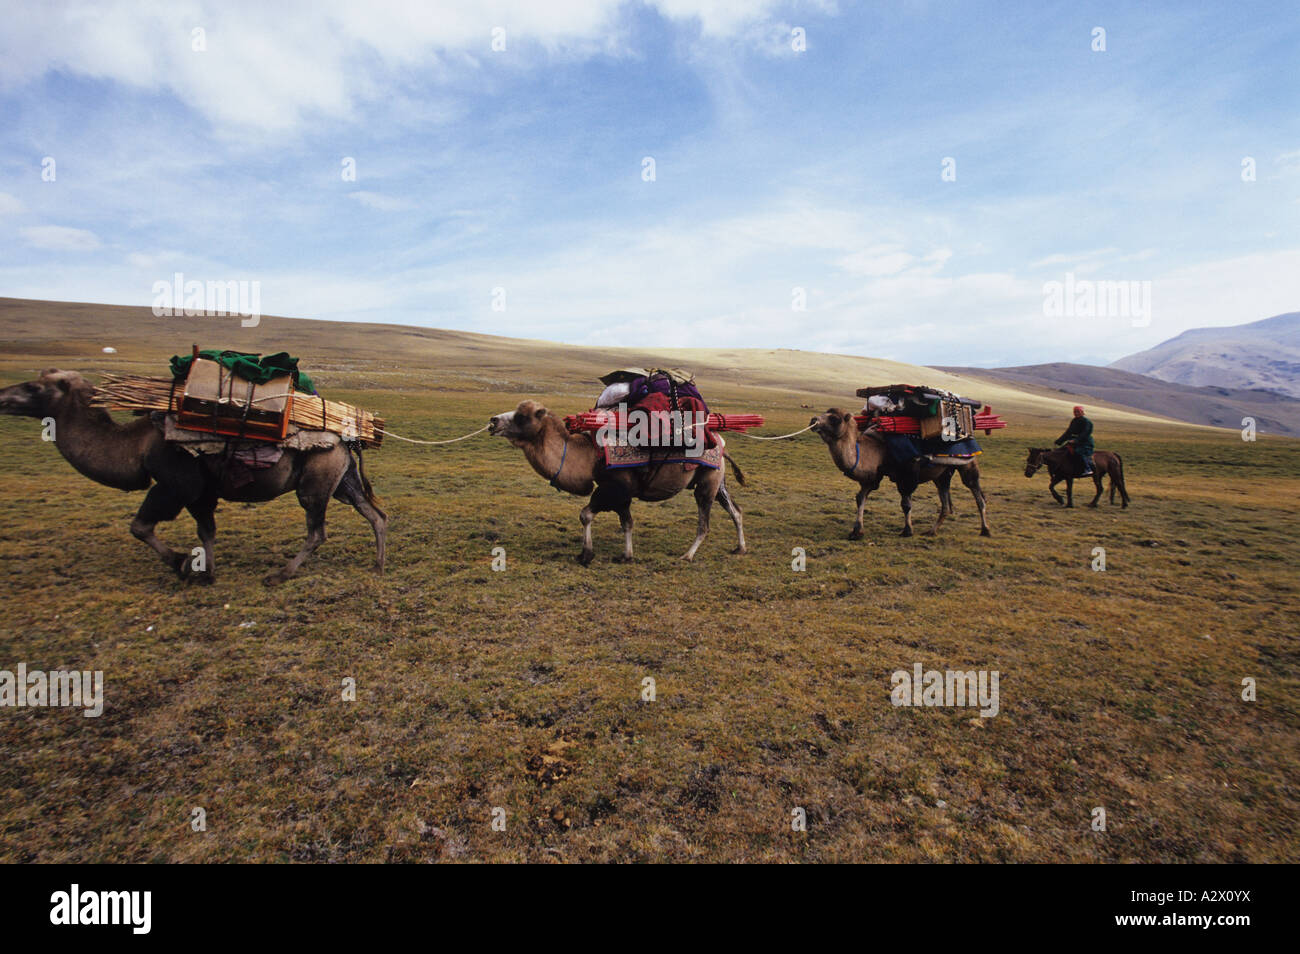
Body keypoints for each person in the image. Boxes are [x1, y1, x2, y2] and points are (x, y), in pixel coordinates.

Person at [1055, 405, 1095, 476]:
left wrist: (1076, 440)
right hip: (1074, 441)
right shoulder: (1074, 421)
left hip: (1085, 442)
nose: (1076, 413)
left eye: (1078, 412)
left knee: (1078, 452)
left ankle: (1088, 469)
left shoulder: (1086, 422)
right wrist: (1059, 441)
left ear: (1082, 412)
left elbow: (1086, 433)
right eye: (1075, 412)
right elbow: (1068, 432)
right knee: (1062, 450)